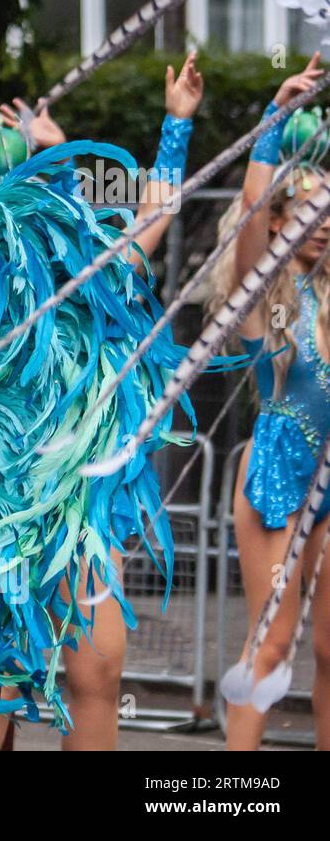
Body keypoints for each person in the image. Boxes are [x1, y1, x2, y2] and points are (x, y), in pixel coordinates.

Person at [0, 52, 205, 750]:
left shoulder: (104, 272)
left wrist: (176, 125)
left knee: (98, 670)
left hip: (85, 512)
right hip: (1, 508)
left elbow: (157, 210)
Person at [212, 52, 330, 750]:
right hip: (278, 474)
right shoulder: (270, 307)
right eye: (304, 210)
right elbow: (250, 229)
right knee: (272, 644)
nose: (319, 224)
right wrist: (273, 122)